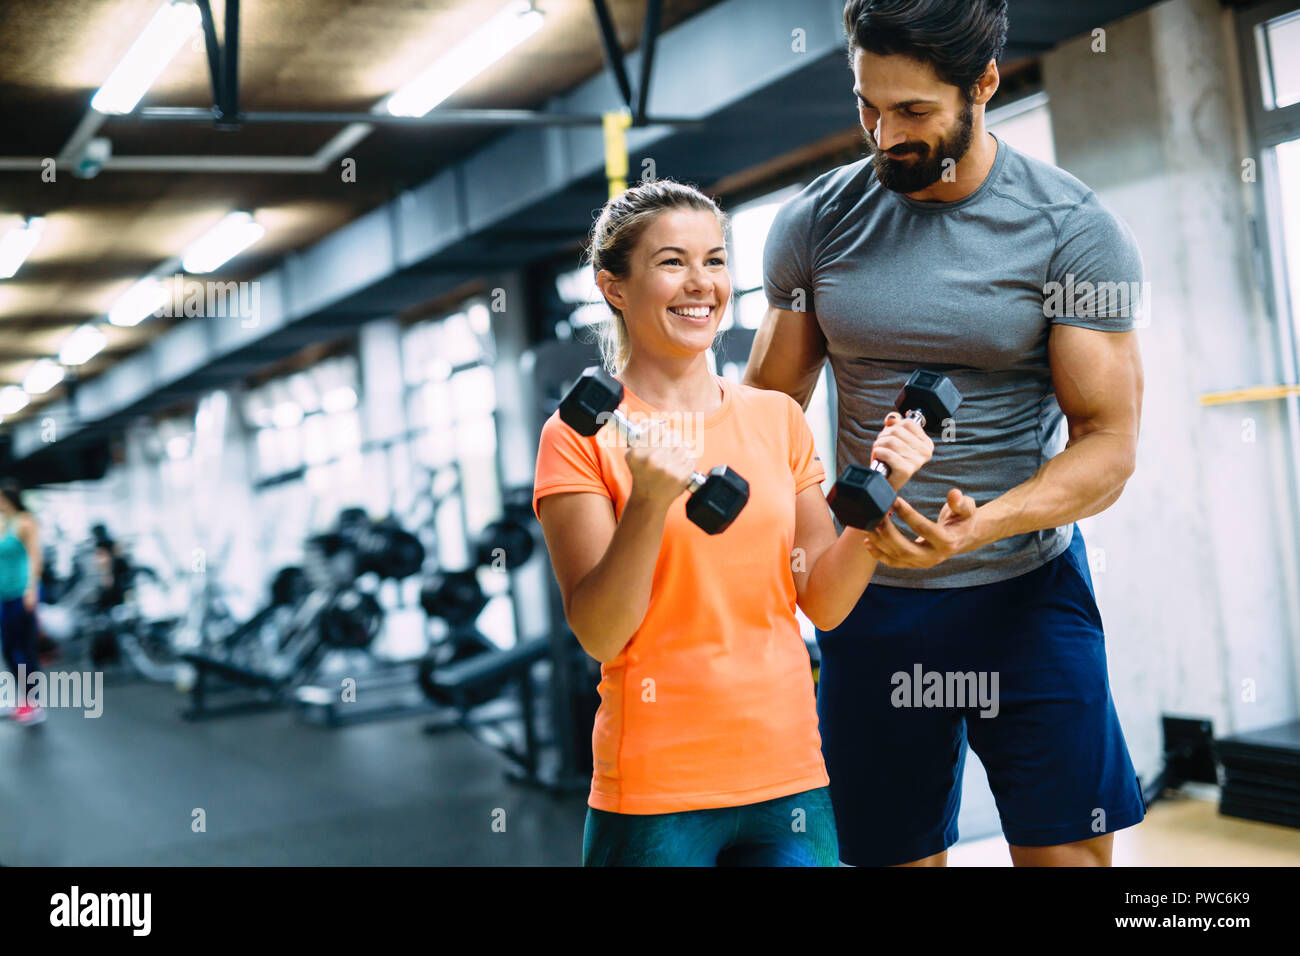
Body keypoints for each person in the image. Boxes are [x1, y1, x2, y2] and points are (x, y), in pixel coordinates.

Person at [745, 0, 1146, 866]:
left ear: (984, 85)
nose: (884, 135)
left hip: (1026, 594)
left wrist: (985, 522)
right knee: (890, 856)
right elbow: (766, 417)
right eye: (867, 106)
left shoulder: (1072, 232)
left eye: (914, 112)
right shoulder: (814, 225)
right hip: (872, 606)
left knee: (1067, 855)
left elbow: (1109, 446)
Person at [533, 179, 934, 866]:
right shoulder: (580, 436)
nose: (701, 283)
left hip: (787, 775)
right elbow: (600, 631)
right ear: (614, 287)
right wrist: (651, 505)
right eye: (671, 262)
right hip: (658, 787)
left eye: (715, 260)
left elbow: (825, 602)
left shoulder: (775, 418)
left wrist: (885, 492)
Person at [0, 480, 45, 725]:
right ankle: (21, 699)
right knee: (7, 649)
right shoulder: (3, 524)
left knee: (25, 650)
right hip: (3, 596)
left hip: (21, 594)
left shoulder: (25, 521)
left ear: (8, 499)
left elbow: (35, 556)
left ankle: (33, 703)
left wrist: (31, 589)